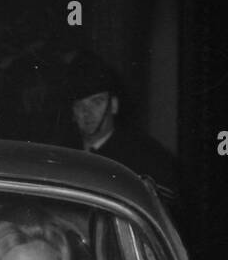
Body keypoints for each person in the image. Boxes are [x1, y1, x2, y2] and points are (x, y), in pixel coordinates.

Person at [64, 52, 178, 198]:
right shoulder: (63, 153)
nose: (87, 112)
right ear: (72, 112)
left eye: (96, 102)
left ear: (114, 105)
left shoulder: (146, 156)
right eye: (79, 105)